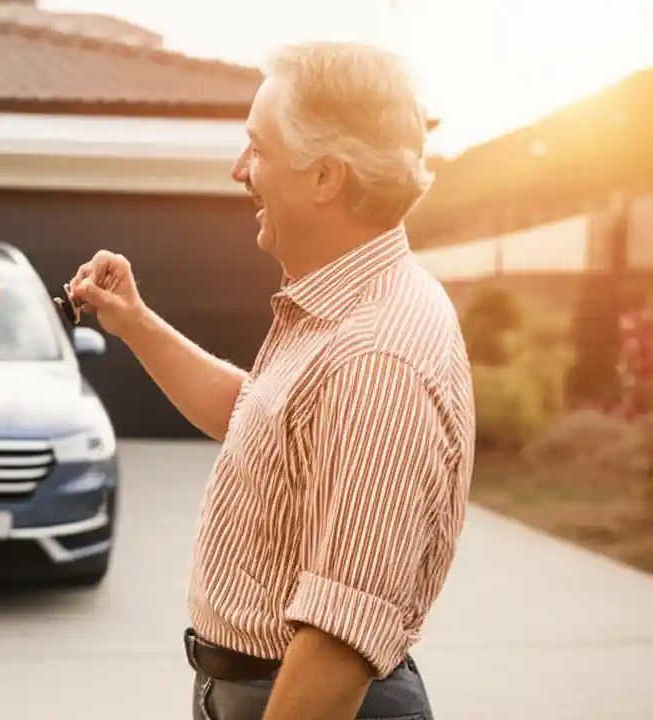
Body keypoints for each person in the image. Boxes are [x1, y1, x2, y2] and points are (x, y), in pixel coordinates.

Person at [68, 42, 474, 720]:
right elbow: (255, 415)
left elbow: (339, 642)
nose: (237, 170)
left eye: (257, 148)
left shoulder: (374, 358)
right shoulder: (338, 307)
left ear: (325, 177)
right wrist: (135, 323)